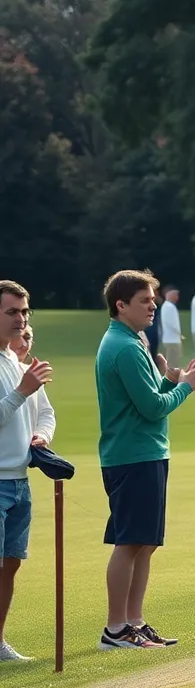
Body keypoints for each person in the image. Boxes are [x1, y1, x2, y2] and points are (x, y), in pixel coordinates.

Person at [95, 270, 195, 649]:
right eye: (144, 301)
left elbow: (146, 398)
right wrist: (185, 387)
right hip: (133, 455)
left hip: (144, 453)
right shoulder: (125, 347)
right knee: (130, 542)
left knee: (144, 543)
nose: (153, 307)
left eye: (153, 300)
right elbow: (152, 408)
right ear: (121, 305)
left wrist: (169, 380)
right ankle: (116, 629)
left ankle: (134, 622)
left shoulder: (131, 341)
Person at [0, 282, 53, 662]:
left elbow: (46, 413)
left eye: (24, 312)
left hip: (20, 480)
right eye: (12, 312)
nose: (21, 319)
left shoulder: (17, 363)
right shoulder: (19, 373)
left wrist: (42, 435)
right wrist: (21, 391)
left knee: (10, 566)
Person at [12, 327, 56, 451]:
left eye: (27, 338)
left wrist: (42, 435)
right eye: (17, 337)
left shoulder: (30, 373)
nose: (24, 345)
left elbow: (45, 413)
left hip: (24, 457)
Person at [160, 286, 183, 370]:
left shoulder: (167, 306)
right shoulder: (169, 307)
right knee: (172, 363)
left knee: (172, 362)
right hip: (172, 340)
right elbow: (173, 324)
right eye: (175, 294)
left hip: (170, 339)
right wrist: (179, 333)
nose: (177, 297)